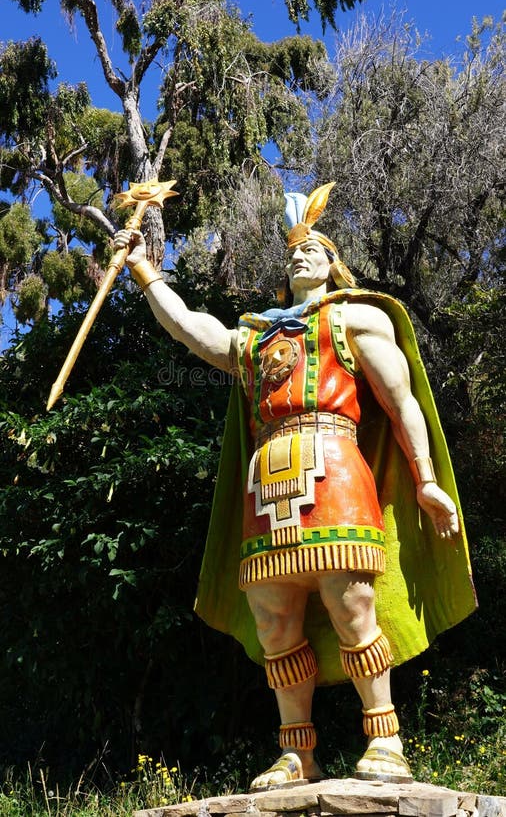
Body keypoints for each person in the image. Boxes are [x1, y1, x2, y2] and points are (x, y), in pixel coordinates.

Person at [114, 183, 475, 788]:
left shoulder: (358, 318)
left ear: (333, 264)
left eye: (312, 249)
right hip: (267, 480)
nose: (299, 256)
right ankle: (295, 753)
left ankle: (385, 742)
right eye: (292, 253)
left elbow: (404, 403)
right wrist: (146, 271)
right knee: (275, 623)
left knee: (352, 607)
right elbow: (189, 329)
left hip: (335, 464)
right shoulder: (255, 338)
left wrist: (427, 481)